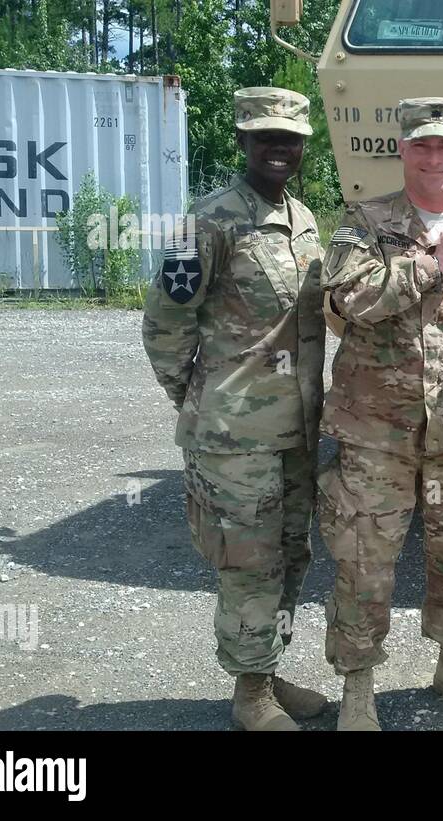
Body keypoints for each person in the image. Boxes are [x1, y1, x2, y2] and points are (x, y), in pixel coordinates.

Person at [142, 87, 328, 731]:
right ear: (243, 142)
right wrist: (198, 400)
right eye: (265, 137)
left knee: (292, 553)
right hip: (233, 436)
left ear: (304, 145)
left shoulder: (303, 220)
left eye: (290, 138)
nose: (279, 148)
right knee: (248, 560)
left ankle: (269, 669)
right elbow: (165, 324)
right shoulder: (208, 221)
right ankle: (249, 692)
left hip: (297, 429)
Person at [319, 97, 443, 731]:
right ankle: (358, 686)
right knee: (365, 560)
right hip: (376, 432)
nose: (433, 158)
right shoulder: (363, 223)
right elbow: (348, 298)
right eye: (421, 146)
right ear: (402, 151)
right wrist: (432, 262)